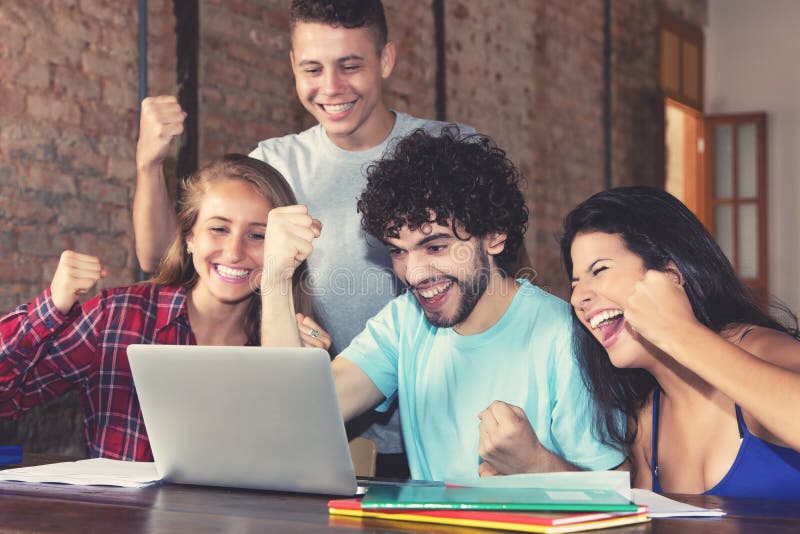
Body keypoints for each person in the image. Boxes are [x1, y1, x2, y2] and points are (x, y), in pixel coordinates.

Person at [133, 0, 475, 473]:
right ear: (293, 65)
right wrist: (149, 164)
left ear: (386, 59)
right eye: (313, 68)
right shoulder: (275, 164)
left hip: (443, 429)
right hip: (316, 426)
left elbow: (497, 283)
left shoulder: (450, 151)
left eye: (350, 66)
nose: (331, 87)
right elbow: (161, 259)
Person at [260, 128, 625, 481]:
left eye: (435, 247)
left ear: (494, 235)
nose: (415, 274)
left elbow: (621, 490)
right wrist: (276, 278)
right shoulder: (405, 322)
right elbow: (297, 415)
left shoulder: (566, 337)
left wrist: (536, 465)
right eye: (398, 251)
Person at [0, 155, 330, 460]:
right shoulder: (118, 317)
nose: (233, 252)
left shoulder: (287, 338)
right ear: (189, 237)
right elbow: (6, 400)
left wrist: (305, 371)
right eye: (218, 229)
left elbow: (295, 458)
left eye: (258, 236)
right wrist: (50, 308)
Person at [562, 186, 800, 499]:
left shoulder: (762, 348)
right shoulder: (646, 422)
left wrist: (680, 331)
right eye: (575, 283)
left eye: (600, 270)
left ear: (671, 276)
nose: (578, 297)